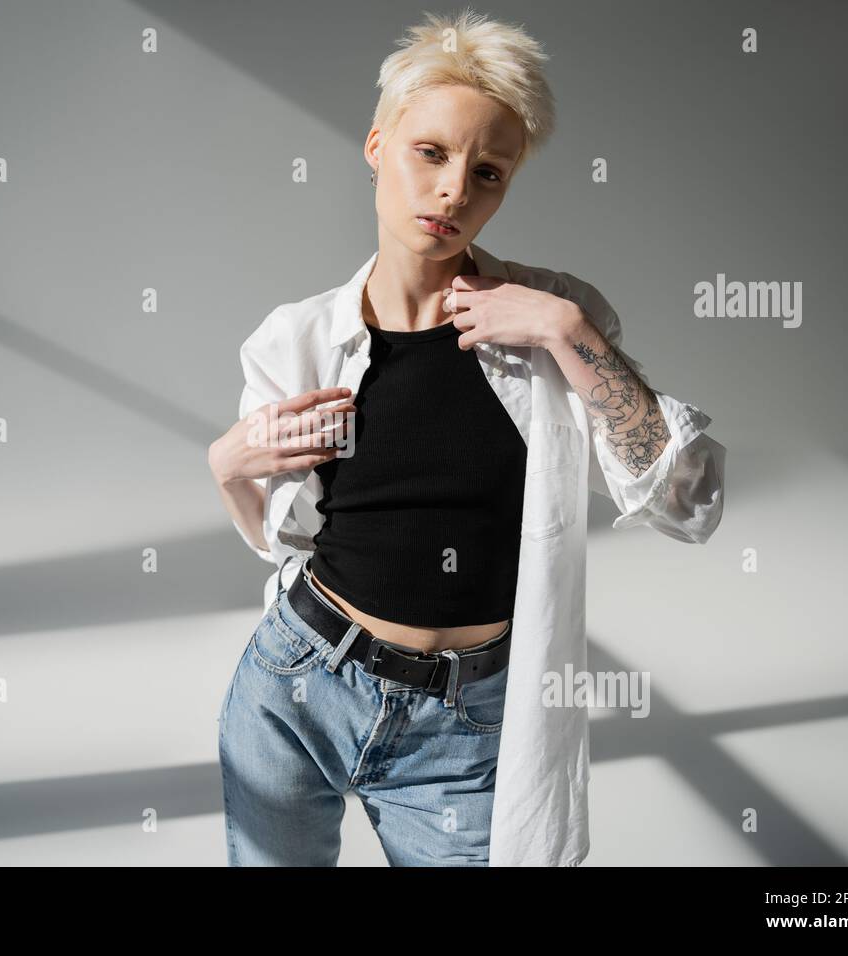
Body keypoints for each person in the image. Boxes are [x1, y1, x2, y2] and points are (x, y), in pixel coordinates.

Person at [207, 9, 726, 866]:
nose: (455, 191)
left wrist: (567, 332)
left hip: (468, 720)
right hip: (295, 687)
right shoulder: (293, 339)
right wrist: (225, 467)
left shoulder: (553, 315)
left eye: (488, 172)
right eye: (431, 154)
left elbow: (687, 499)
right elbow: (282, 539)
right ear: (377, 146)